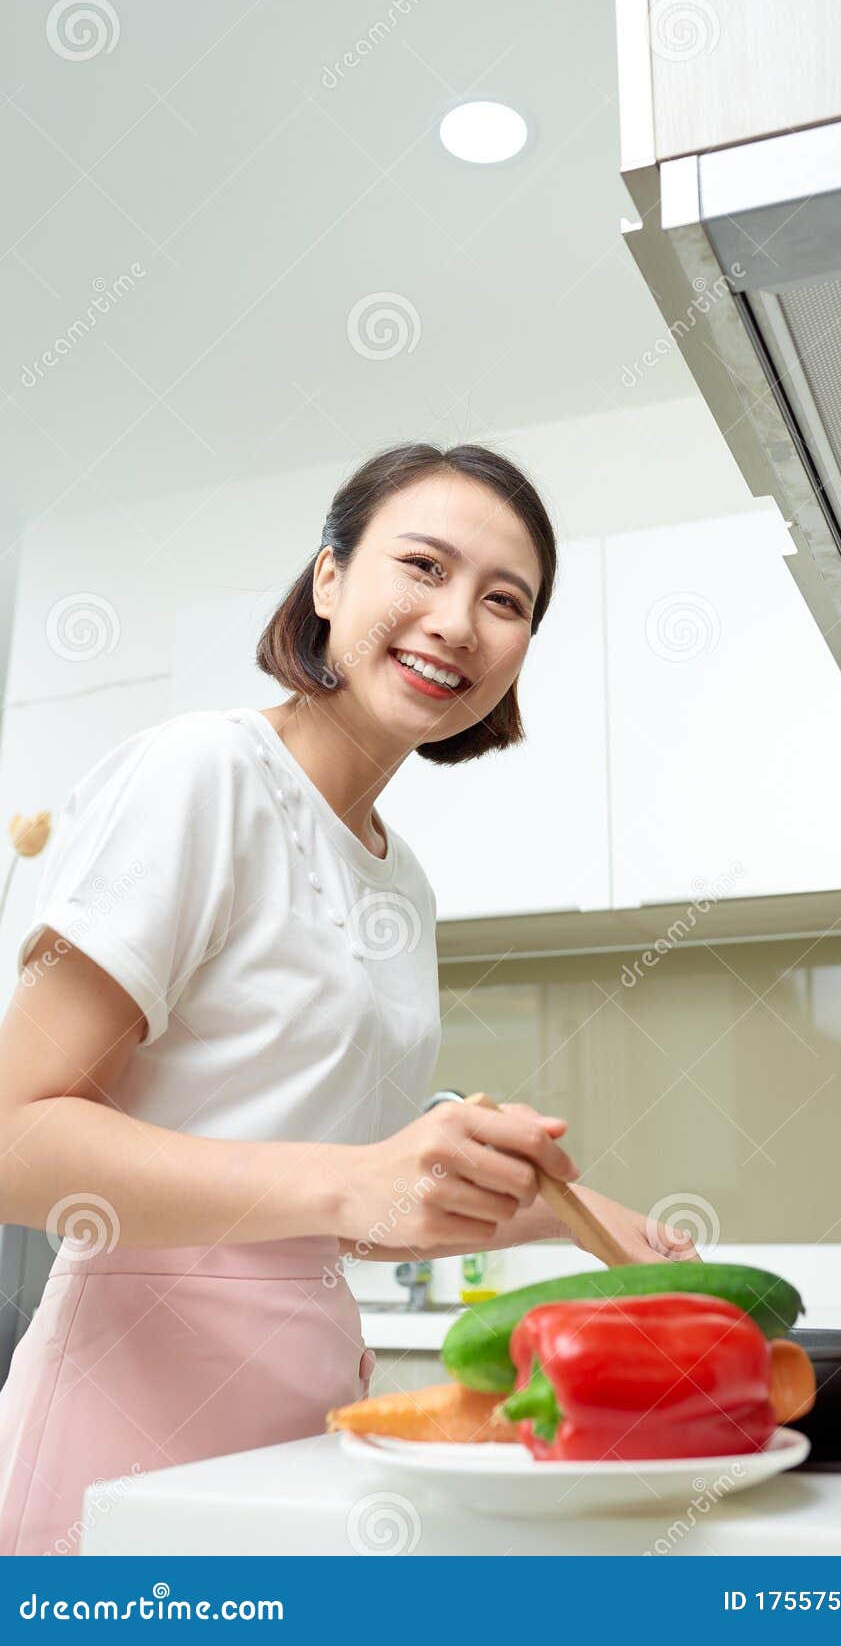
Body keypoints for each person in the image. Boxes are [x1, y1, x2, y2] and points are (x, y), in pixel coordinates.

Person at [0, 442, 695, 1555]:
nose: (458, 621)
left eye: (504, 600)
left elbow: (353, 1208)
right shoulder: (202, 774)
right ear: (329, 581)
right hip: (120, 1441)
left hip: (296, 1446)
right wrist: (355, 1177)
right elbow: (11, 1139)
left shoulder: (400, 878)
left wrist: (573, 1212)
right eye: (422, 566)